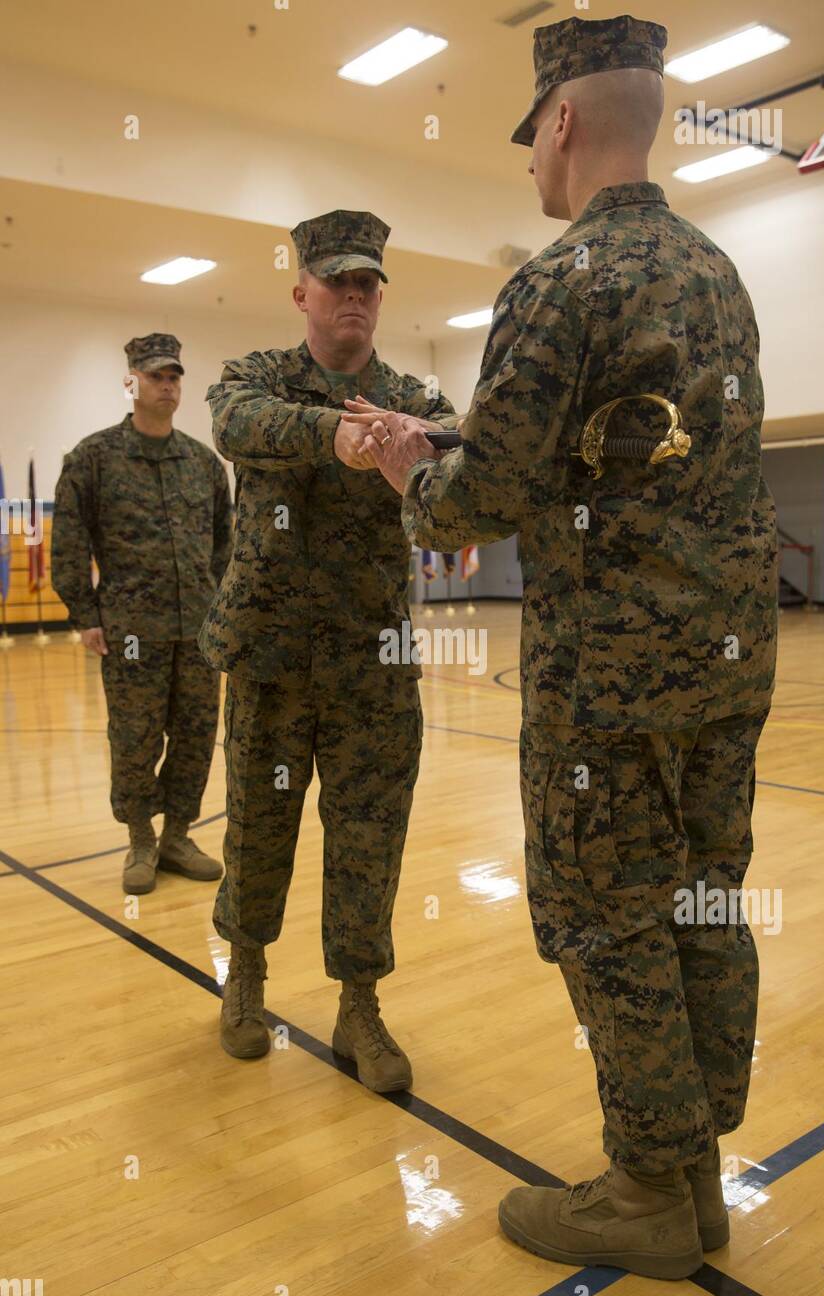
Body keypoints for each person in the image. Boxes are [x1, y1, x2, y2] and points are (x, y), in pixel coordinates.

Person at [343, 14, 778, 1278]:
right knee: (704, 895)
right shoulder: (714, 271)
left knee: (603, 914)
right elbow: (621, 457)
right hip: (726, 661)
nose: (530, 159)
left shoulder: (559, 280)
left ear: (563, 122)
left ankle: (645, 1186)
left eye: (532, 132)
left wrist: (404, 472)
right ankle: (695, 1170)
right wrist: (442, 445)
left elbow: (482, 502)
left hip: (609, 676)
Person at [201, 209, 458, 1090]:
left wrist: (414, 451)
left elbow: (460, 468)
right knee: (258, 826)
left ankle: (359, 1007)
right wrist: (340, 436)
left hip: (373, 665)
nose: (354, 293)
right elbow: (237, 425)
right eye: (337, 279)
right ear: (301, 290)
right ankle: (245, 981)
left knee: (369, 837)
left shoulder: (417, 400)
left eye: (369, 281)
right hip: (271, 656)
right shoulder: (257, 376)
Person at [52, 334, 231, 895]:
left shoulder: (204, 464)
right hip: (131, 633)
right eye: (156, 376)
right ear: (132, 382)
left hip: (196, 632)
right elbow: (68, 541)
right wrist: (85, 612)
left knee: (196, 735)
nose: (168, 385)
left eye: (174, 376)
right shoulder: (94, 458)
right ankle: (139, 839)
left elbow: (226, 544)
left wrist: (220, 610)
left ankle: (178, 835)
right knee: (134, 738)